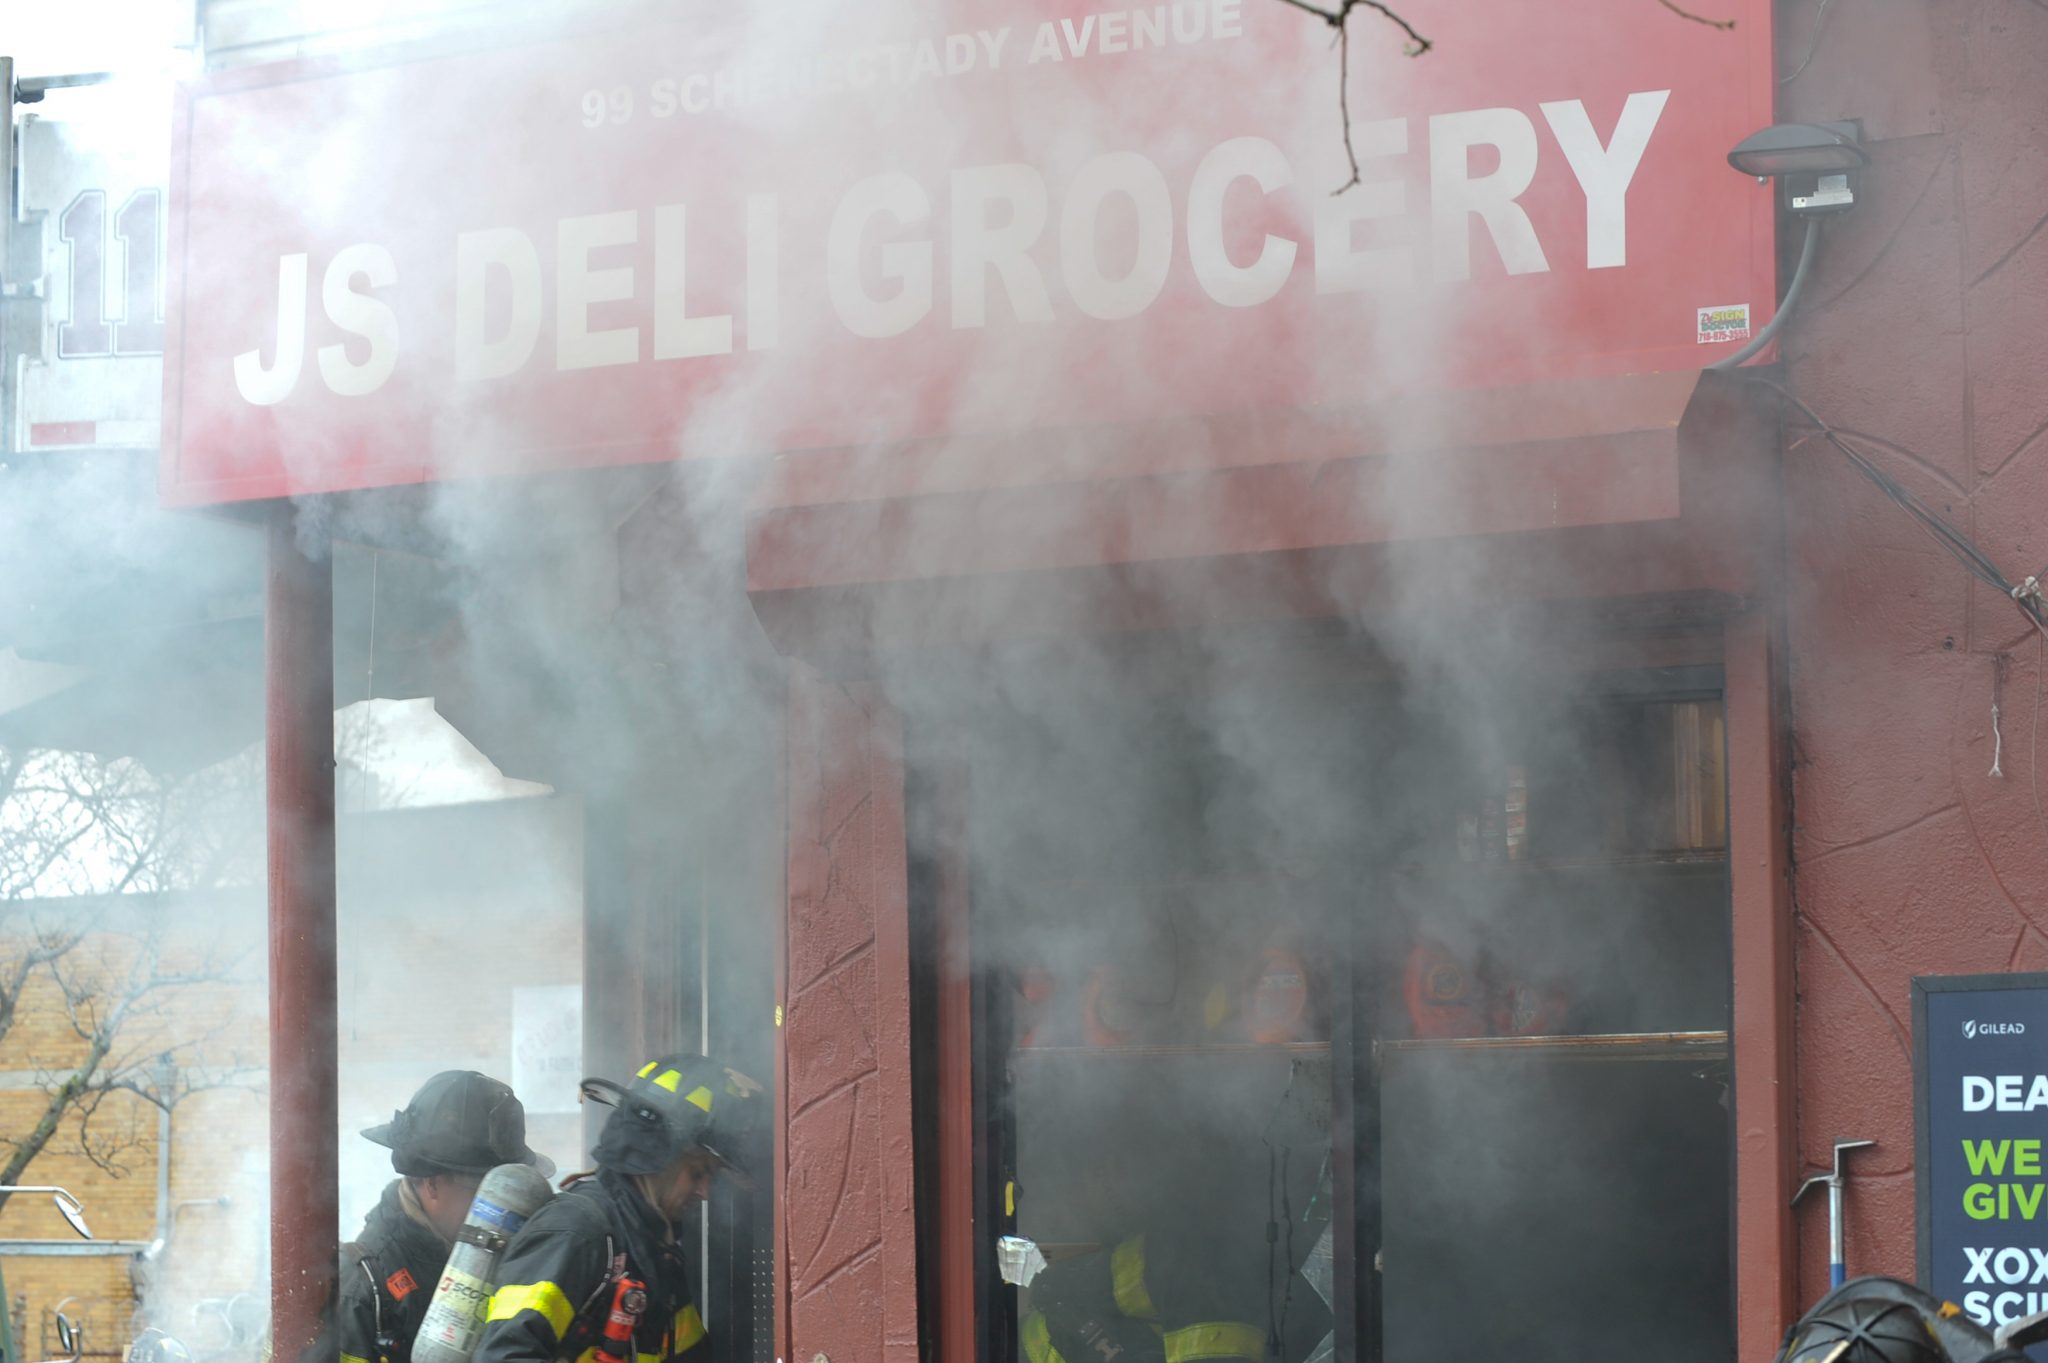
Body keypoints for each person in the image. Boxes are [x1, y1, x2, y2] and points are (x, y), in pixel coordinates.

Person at [472, 1054, 762, 1363]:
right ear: (657, 1155)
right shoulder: (576, 1232)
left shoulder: (655, 1253)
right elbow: (504, 1356)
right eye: (697, 1172)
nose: (704, 1192)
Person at [320, 1071, 556, 1363]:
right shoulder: (360, 1288)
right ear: (432, 1183)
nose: (504, 1210)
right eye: (489, 1192)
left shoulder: (503, 1258)